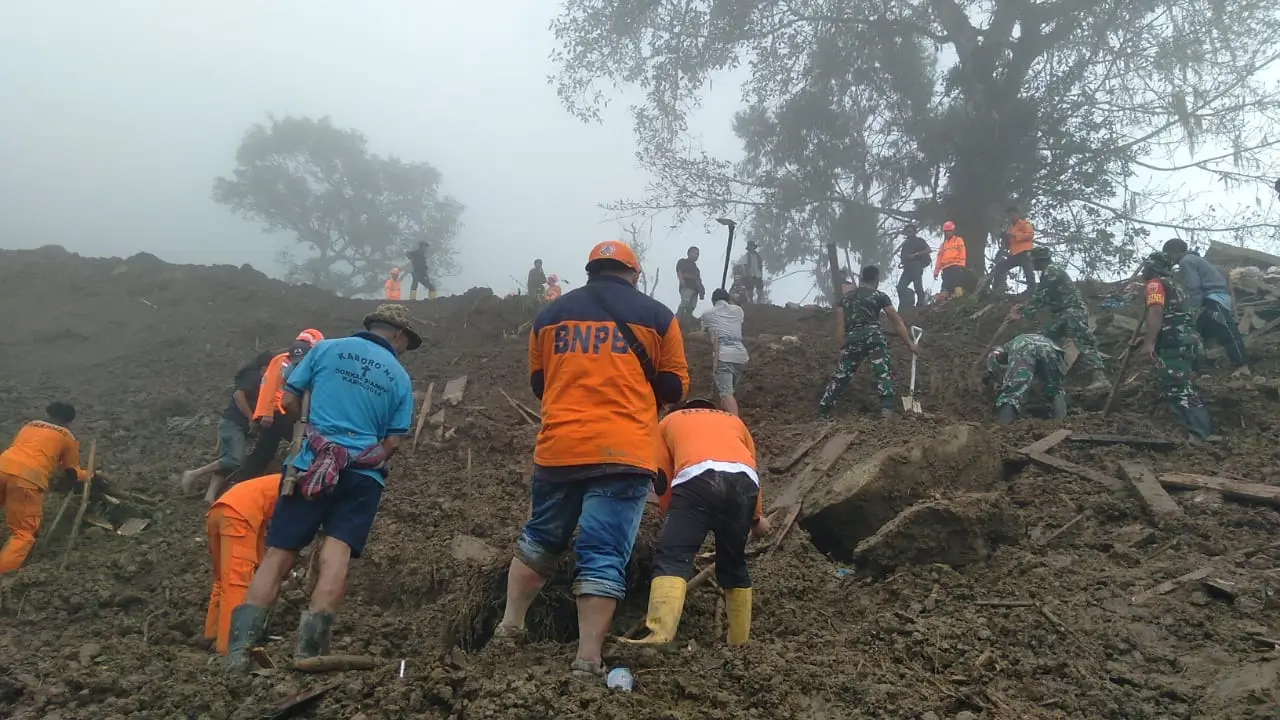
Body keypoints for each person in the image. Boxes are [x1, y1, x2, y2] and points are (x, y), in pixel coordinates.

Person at [494, 240, 689, 679]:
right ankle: (586, 660)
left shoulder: (548, 316)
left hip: (559, 448)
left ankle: (509, 629)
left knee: (539, 540)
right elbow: (674, 390)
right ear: (633, 274)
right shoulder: (658, 317)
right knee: (602, 552)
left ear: (590, 271)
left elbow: (540, 384)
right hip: (623, 452)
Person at [224, 305, 418, 673]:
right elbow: (393, 442)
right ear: (398, 335)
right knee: (336, 555)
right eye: (407, 340)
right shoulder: (400, 377)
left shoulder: (326, 350)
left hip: (308, 465)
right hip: (362, 476)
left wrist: (314, 429)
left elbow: (291, 397)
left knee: (279, 554)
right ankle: (309, 653)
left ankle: (240, 653)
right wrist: (361, 454)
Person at [621, 399, 770, 647]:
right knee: (733, 564)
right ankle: (740, 643)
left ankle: (660, 634)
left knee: (673, 556)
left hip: (696, 479)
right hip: (744, 485)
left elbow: (662, 474)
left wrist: (669, 513)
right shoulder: (734, 421)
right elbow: (749, 467)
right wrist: (756, 517)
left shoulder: (668, 422)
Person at [222, 330, 324, 496]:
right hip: (282, 413)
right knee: (303, 448)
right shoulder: (284, 360)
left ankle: (240, 485)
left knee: (266, 450)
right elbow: (268, 385)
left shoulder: (306, 360)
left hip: (292, 413)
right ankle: (245, 485)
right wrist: (265, 412)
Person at [818, 266, 920, 419]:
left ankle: (823, 412)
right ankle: (886, 411)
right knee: (882, 372)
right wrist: (910, 344)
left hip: (853, 340)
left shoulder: (844, 299)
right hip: (874, 338)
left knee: (841, 376)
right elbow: (896, 321)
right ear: (876, 280)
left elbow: (840, 327)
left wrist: (841, 348)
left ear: (861, 279)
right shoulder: (879, 296)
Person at [0, 402, 91, 573]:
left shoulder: (29, 426)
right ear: (69, 422)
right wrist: (91, 475)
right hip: (27, 479)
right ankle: (3, 573)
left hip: (2, 466)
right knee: (24, 532)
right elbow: (71, 471)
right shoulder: (67, 436)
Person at [1138, 252, 1214, 441]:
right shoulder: (1177, 287)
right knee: (1182, 386)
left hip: (1176, 342)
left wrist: (1149, 343)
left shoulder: (1154, 284)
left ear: (1152, 268)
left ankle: (1199, 435)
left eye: (1145, 268)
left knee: (1177, 387)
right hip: (1189, 339)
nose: (1142, 272)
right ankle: (1194, 432)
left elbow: (1156, 311)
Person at [1015, 247, 1112, 393]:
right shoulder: (1049, 273)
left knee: (1084, 343)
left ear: (1038, 260)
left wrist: (1024, 315)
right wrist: (1024, 309)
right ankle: (1044, 378)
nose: (1031, 264)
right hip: (1063, 315)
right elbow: (1044, 299)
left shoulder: (1051, 271)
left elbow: (1039, 297)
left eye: (1032, 260)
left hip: (1073, 313)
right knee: (1045, 338)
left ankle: (1100, 378)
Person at [181, 351, 273, 500]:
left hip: (238, 426)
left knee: (227, 462)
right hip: (233, 423)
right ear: (265, 367)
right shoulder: (254, 377)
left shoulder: (262, 379)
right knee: (234, 460)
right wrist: (251, 419)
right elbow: (238, 395)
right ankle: (193, 474)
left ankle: (209, 497)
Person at [204, 474, 279, 654]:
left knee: (222, 579)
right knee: (237, 584)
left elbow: (263, 528)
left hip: (219, 511)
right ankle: (229, 647)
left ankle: (212, 634)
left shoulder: (275, 482)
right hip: (239, 518)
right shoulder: (302, 488)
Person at [1163, 238, 1250, 375]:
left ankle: (1242, 365)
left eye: (1169, 255)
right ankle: (1202, 371)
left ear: (1176, 251)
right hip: (1215, 297)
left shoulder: (1187, 261)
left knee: (1227, 331)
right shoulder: (1195, 259)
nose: (1169, 259)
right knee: (1197, 335)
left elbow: (1194, 288)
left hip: (1213, 298)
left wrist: (1192, 310)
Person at [983, 334, 1068, 425]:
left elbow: (994, 357)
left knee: (1014, 391)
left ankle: (1003, 426)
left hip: (1024, 349)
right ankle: (1060, 422)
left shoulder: (1003, 350)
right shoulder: (1026, 338)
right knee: (1055, 388)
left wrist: (996, 378)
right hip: (1050, 349)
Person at [700, 288, 749, 415]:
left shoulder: (707, 314)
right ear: (728, 299)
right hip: (741, 356)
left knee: (726, 395)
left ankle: (736, 426)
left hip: (723, 355)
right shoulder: (738, 311)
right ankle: (723, 418)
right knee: (726, 393)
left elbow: (704, 333)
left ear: (712, 301)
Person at [989, 206, 1036, 295]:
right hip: (1015, 253)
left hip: (1025, 251)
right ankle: (998, 289)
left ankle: (1031, 289)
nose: (1011, 217)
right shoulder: (1010, 228)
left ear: (1017, 214)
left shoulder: (1025, 224)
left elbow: (1030, 235)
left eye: (1012, 215)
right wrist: (1005, 238)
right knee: (1001, 267)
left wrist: (1014, 235)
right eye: (1009, 215)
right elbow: (1009, 243)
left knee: (1028, 270)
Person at [896, 223, 931, 310]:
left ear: (914, 232)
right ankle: (905, 304)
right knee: (900, 287)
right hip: (907, 268)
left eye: (911, 231)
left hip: (917, 266)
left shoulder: (919, 240)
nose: (909, 233)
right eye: (907, 232)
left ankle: (920, 306)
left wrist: (915, 255)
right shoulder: (905, 244)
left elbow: (928, 250)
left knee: (918, 287)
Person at [933, 221, 967, 299]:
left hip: (955, 266)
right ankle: (943, 300)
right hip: (945, 268)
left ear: (953, 231)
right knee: (945, 285)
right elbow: (939, 258)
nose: (947, 233)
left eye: (949, 231)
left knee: (956, 282)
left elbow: (962, 252)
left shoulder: (958, 240)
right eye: (946, 231)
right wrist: (936, 271)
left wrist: (961, 264)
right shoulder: (943, 245)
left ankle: (959, 297)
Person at [676, 246, 705, 324]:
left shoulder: (696, 269)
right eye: (695, 253)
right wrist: (681, 280)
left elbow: (699, 280)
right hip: (687, 286)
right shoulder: (683, 262)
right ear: (689, 253)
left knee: (692, 306)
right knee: (684, 303)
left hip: (695, 290)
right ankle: (677, 320)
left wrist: (702, 292)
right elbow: (679, 271)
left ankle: (686, 323)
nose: (697, 256)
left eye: (698, 254)